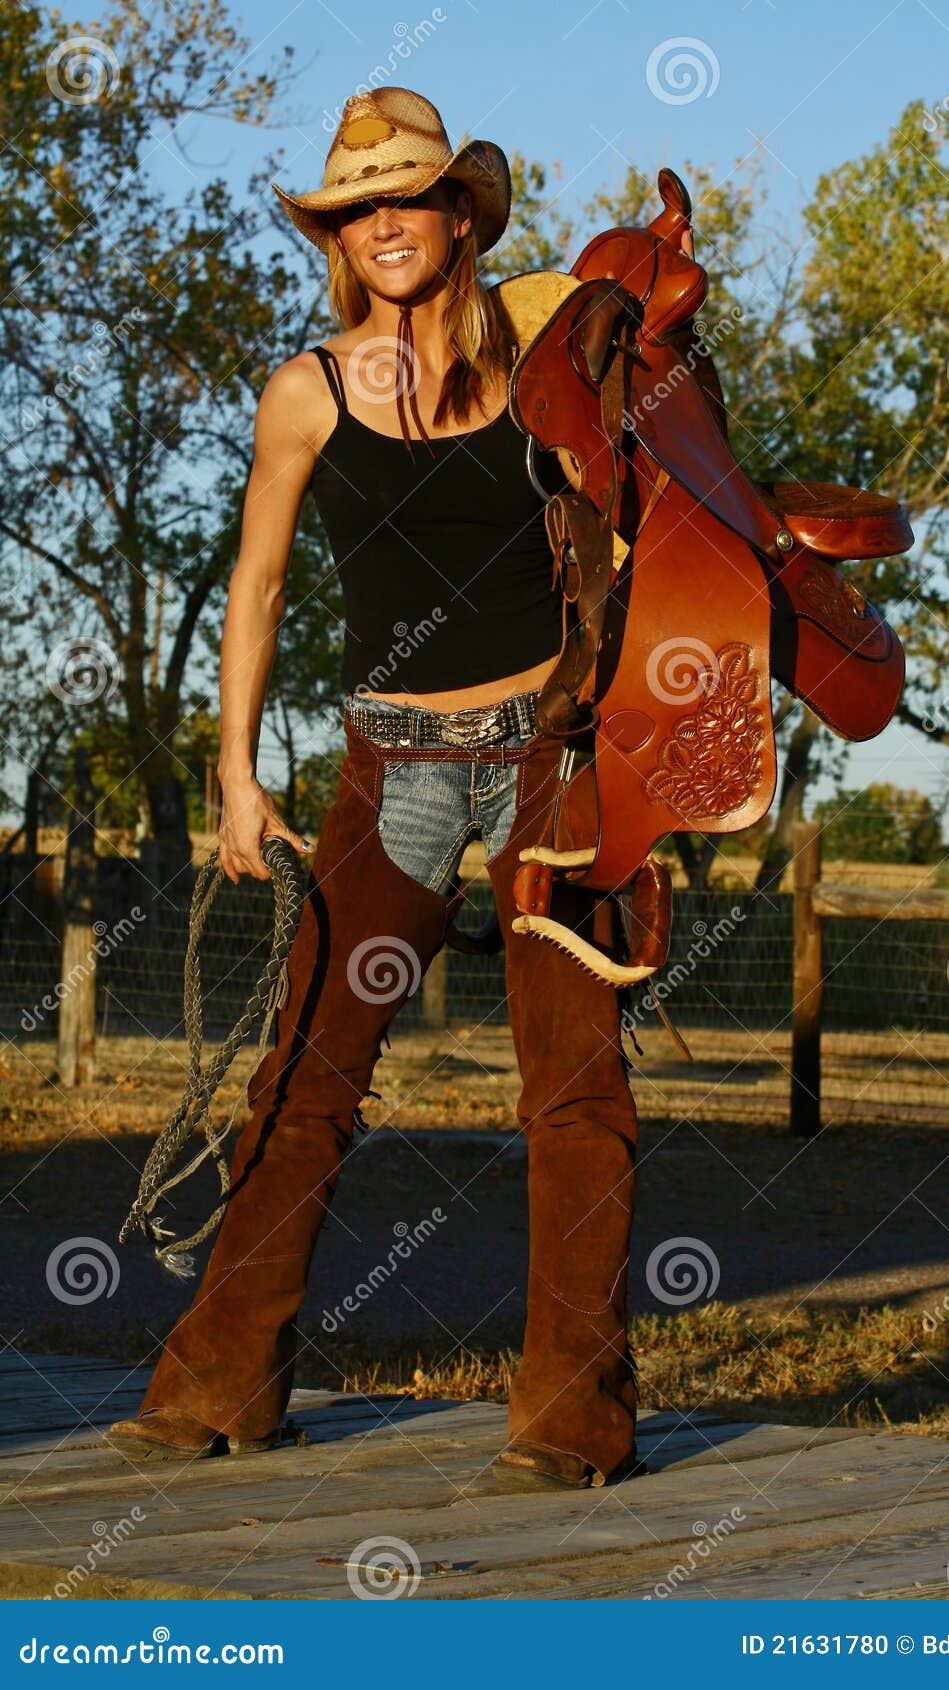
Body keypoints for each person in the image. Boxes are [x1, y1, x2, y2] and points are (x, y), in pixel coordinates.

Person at [106, 86, 644, 1489]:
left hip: (549, 760)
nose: (384, 224)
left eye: (409, 197)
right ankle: (220, 1383)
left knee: (575, 1087)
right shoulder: (306, 391)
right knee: (305, 1077)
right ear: (338, 237)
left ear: (460, 214)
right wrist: (236, 776)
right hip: (389, 763)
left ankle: (572, 1416)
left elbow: (639, 512)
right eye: (357, 209)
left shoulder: (544, 361)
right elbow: (258, 585)